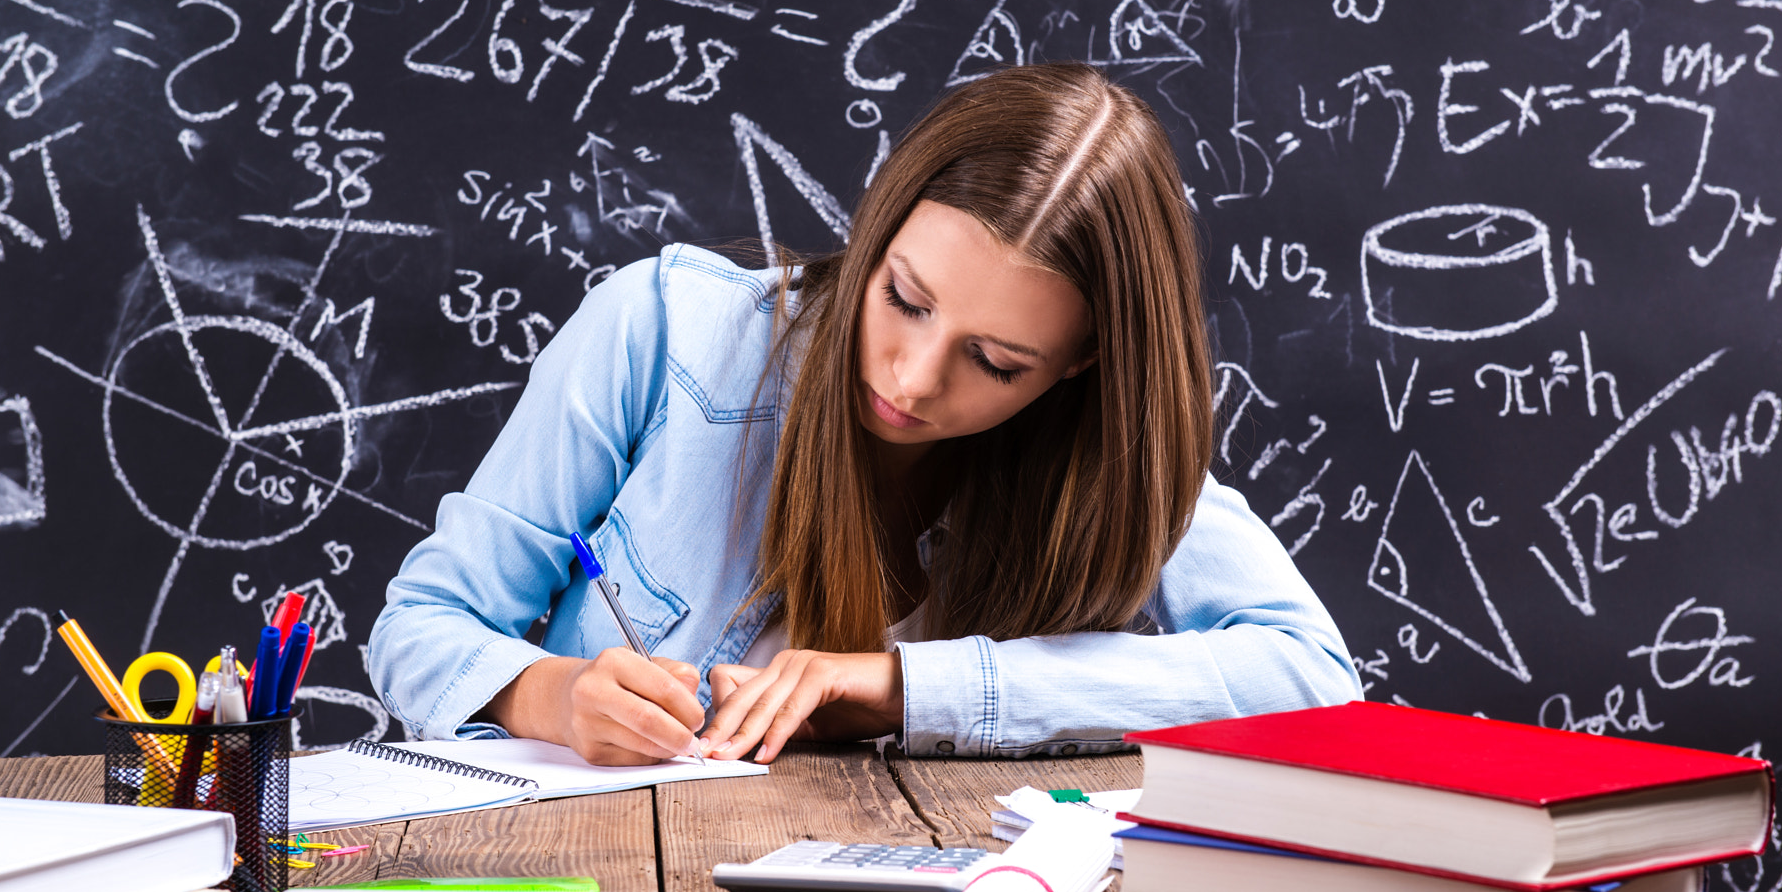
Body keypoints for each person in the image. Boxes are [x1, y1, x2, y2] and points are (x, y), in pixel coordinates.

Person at [369, 63, 1359, 765]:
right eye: (905, 298)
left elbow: (1311, 679)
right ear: (878, 226)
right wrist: (551, 696)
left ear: (1079, 364)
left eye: (996, 360)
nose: (916, 377)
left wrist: (898, 688)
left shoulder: (1109, 451)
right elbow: (421, 625)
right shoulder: (665, 330)